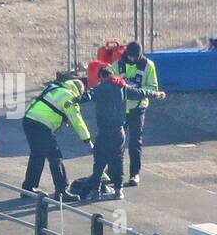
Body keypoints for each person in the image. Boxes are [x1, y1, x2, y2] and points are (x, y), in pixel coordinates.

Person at [82, 65, 165, 200]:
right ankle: (118, 190)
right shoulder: (122, 87)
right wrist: (156, 94)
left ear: (101, 77)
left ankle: (96, 191)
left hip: (104, 131)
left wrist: (73, 100)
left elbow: (87, 96)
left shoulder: (99, 88)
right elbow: (140, 93)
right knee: (118, 160)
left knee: (99, 161)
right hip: (119, 131)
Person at [21, 73, 91, 202]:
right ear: (79, 91)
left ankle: (28, 188)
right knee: (55, 157)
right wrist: (87, 140)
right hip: (41, 126)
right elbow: (76, 119)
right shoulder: (69, 96)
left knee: (37, 155)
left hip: (29, 121)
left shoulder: (56, 88)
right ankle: (61, 191)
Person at [115, 41, 160, 187]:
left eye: (134, 57)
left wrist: (137, 89)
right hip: (120, 108)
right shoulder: (117, 64)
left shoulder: (148, 65)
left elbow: (153, 87)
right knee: (117, 141)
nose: (131, 59)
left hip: (138, 107)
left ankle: (134, 173)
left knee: (135, 141)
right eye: (130, 56)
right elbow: (110, 81)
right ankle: (114, 172)